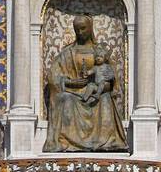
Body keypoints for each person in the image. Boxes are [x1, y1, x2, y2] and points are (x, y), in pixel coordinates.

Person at [43, 15, 127, 153]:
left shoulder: (100, 51)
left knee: (105, 99)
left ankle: (106, 143)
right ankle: (67, 142)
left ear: (90, 28)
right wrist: (71, 82)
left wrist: (106, 85)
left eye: (83, 28)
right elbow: (54, 77)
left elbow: (111, 79)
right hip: (73, 93)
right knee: (66, 99)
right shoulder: (67, 53)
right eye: (77, 29)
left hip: (97, 93)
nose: (80, 32)